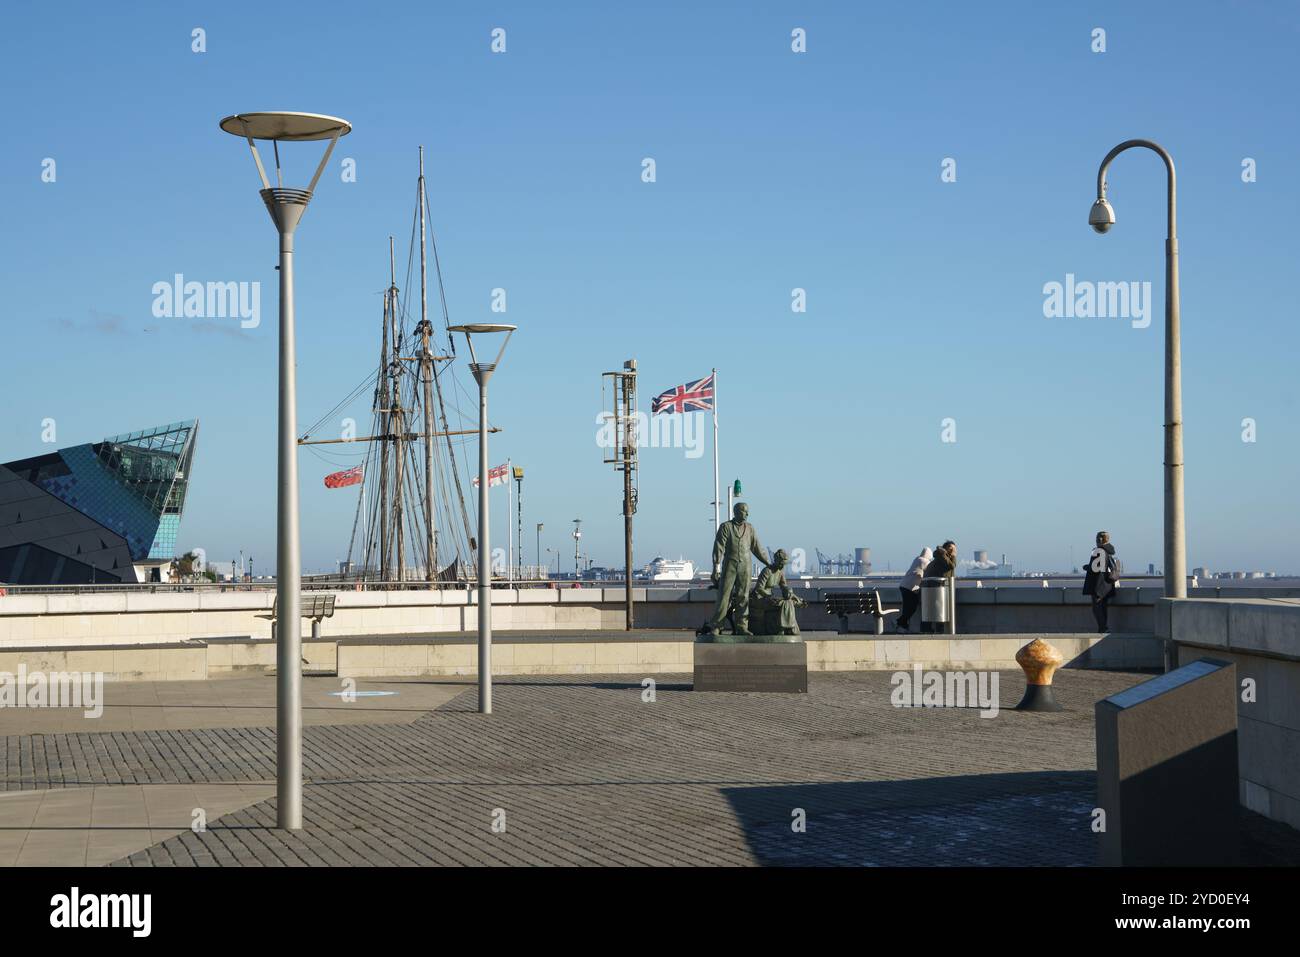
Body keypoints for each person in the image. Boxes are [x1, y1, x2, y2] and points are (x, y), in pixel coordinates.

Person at [699, 502, 769, 637]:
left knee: (744, 597)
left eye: (747, 511)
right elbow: (719, 547)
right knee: (724, 596)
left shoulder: (750, 528)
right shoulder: (726, 527)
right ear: (736, 511)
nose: (747, 514)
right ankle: (716, 626)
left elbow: (757, 548)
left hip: (746, 566)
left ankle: (742, 627)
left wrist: (767, 562)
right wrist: (715, 567)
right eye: (744, 511)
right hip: (729, 565)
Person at [750, 549, 806, 635]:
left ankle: (788, 628)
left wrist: (796, 597)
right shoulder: (767, 571)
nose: (782, 566)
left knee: (788, 602)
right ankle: (782, 628)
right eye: (780, 564)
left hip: (769, 598)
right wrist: (768, 595)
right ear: (776, 561)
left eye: (783, 565)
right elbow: (759, 588)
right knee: (783, 604)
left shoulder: (780, 573)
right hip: (759, 598)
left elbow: (784, 587)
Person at [1082, 531, 1119, 633]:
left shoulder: (1098, 551)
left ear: (1100, 540)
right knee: (1103, 607)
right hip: (1107, 584)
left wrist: (1087, 567)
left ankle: (1103, 628)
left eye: (1097, 538)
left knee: (1097, 608)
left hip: (1098, 584)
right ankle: (1103, 627)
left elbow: (1096, 568)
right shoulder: (1109, 551)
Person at [920, 541, 957, 633]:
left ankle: (929, 630)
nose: (953, 550)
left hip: (934, 586)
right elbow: (951, 566)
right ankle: (937, 632)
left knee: (933, 610)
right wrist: (953, 555)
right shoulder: (942, 556)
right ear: (945, 548)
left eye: (954, 548)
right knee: (938, 611)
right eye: (951, 548)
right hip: (936, 587)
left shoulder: (942, 556)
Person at [896, 546, 932, 633]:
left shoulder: (917, 559)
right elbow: (929, 570)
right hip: (910, 588)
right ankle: (900, 623)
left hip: (904, 585)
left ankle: (902, 625)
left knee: (908, 607)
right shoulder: (924, 561)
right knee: (911, 608)